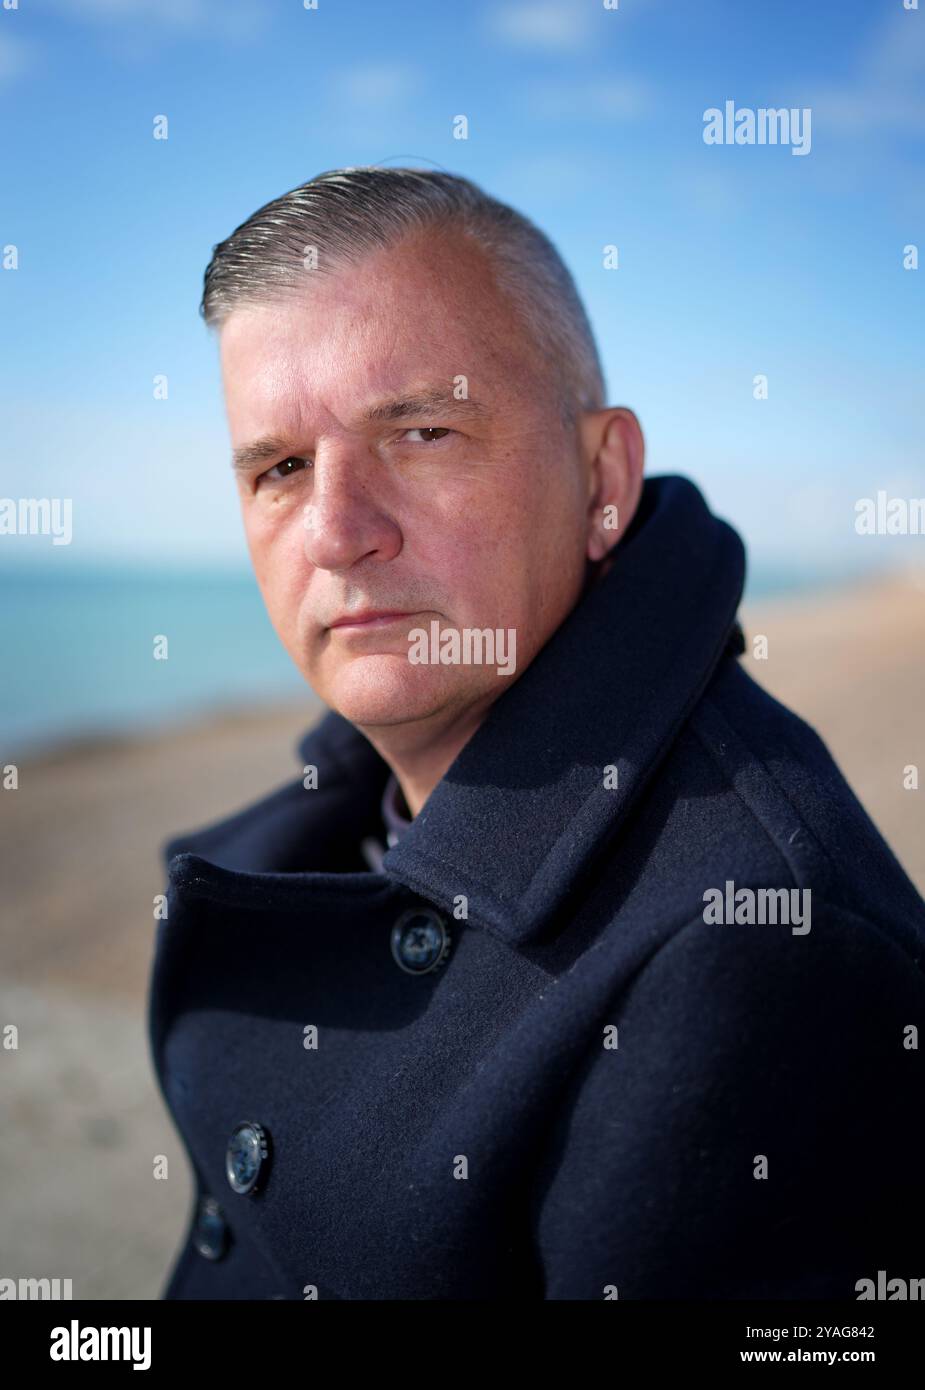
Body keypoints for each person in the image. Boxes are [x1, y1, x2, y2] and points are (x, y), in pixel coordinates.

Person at [148, 167, 925, 1300]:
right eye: (280, 467)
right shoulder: (348, 802)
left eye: (420, 430)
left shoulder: (756, 951)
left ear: (602, 479)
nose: (334, 530)